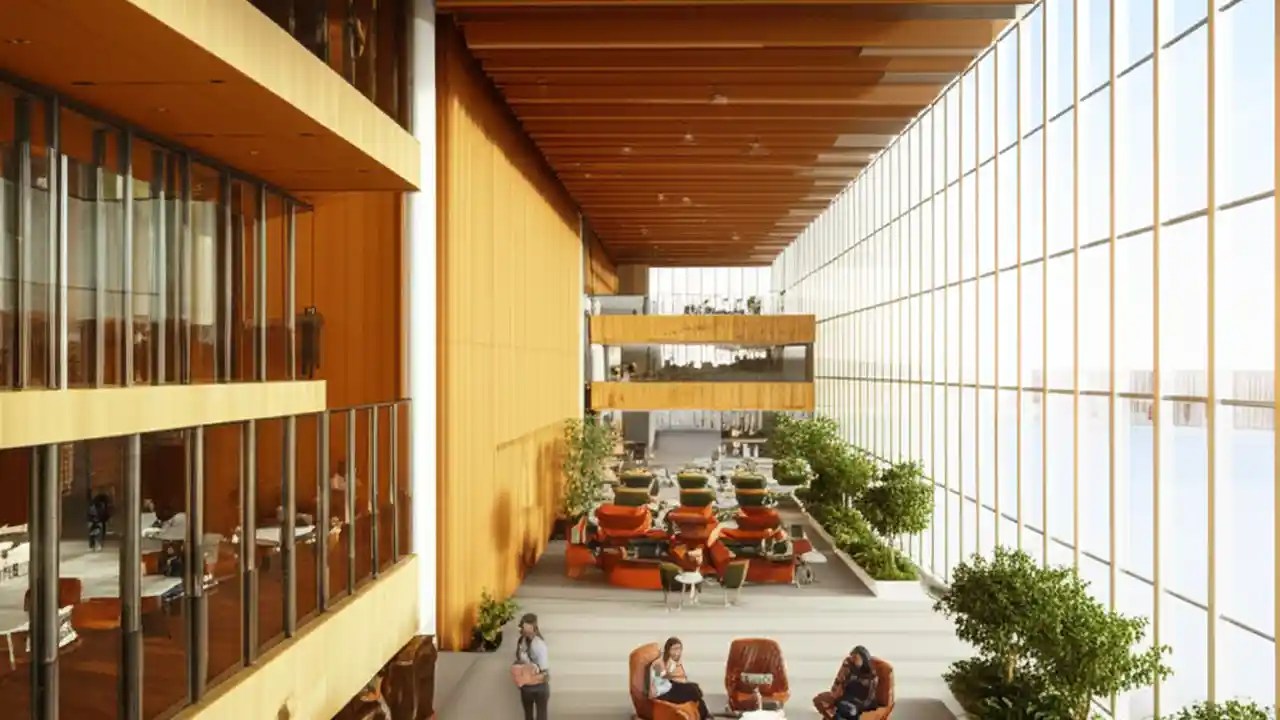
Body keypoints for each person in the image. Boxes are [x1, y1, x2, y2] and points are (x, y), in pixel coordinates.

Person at [649, 637, 712, 720]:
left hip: (670, 687)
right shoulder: (658, 663)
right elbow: (658, 680)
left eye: (679, 649)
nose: (677, 652)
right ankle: (705, 715)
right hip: (661, 693)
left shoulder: (672, 662)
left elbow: (679, 678)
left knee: (694, 690)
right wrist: (670, 674)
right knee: (693, 689)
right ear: (668, 649)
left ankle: (704, 715)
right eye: (674, 649)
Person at [813, 646, 879, 720]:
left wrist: (857, 707)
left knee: (844, 709)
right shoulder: (850, 669)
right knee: (821, 701)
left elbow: (868, 700)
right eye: (852, 657)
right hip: (844, 701)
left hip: (857, 706)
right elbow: (840, 684)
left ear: (863, 659)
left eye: (855, 658)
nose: (853, 660)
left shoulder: (871, 677)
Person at [513, 613, 550, 720]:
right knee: (528, 716)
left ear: (532, 627)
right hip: (526, 688)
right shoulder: (522, 641)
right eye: (522, 626)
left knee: (541, 717)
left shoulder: (539, 644)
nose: (522, 628)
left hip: (538, 687)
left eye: (525, 626)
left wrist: (527, 677)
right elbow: (519, 660)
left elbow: (545, 674)